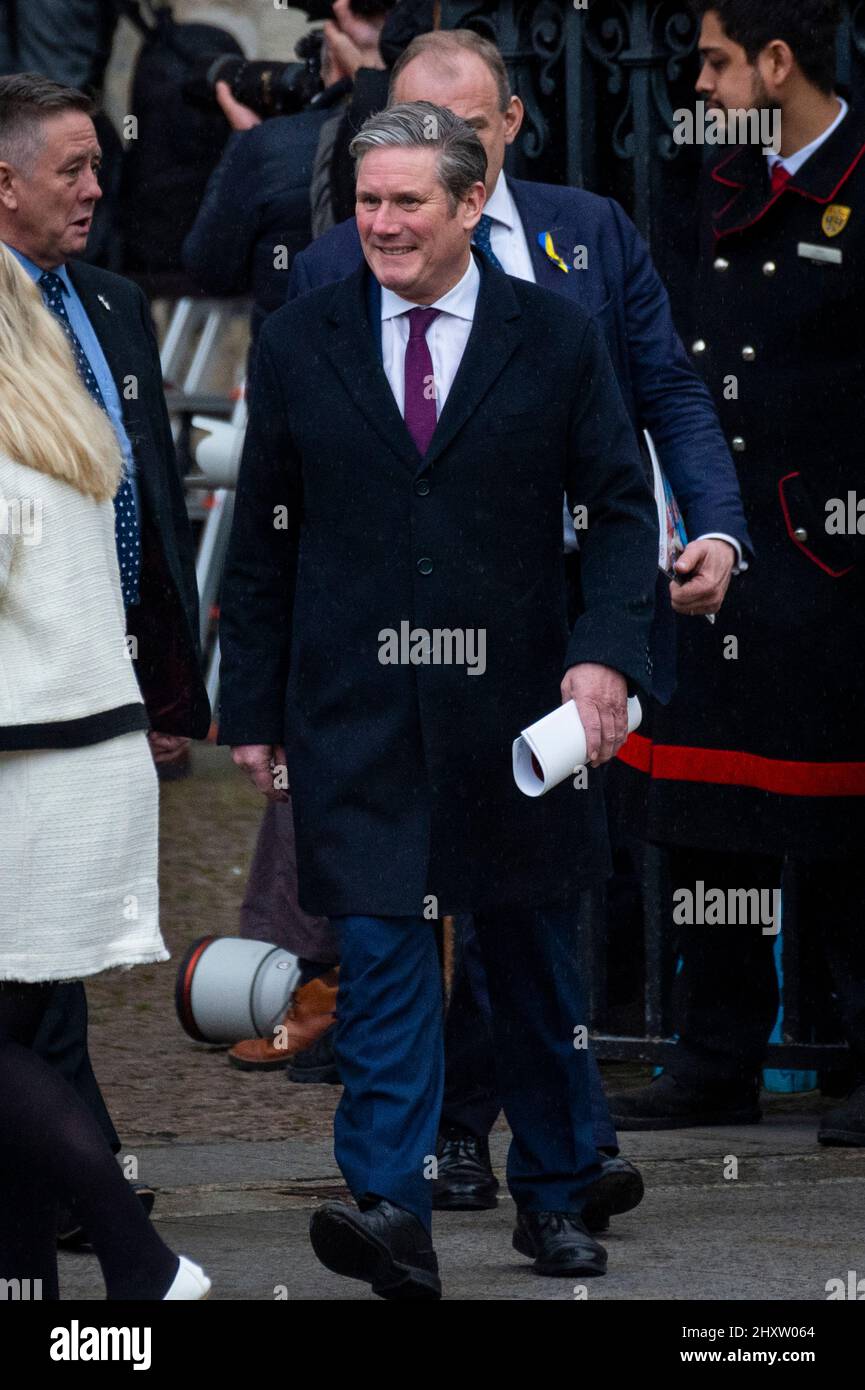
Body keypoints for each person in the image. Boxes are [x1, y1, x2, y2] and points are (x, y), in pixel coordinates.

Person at [283, 28, 751, 1221]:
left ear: (506, 132)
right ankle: (460, 1145)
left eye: (458, 124)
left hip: (566, 624)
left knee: (533, 910)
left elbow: (666, 390)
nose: (423, 152)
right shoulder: (340, 257)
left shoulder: (584, 236)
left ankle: (550, 1155)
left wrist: (716, 526)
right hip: (403, 640)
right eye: (403, 119)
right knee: (408, 907)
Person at [219, 99, 659, 1297]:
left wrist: (608, 655)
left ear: (472, 203)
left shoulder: (557, 338)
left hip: (514, 716)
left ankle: (560, 1193)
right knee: (383, 957)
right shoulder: (302, 339)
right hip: (356, 713)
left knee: (529, 965)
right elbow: (266, 537)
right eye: (367, 200)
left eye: (409, 200)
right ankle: (388, 1205)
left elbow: (622, 509)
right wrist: (248, 708)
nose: (383, 223)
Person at [609, 0, 865, 1144]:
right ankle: (715, 1053)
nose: (701, 85)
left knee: (847, 822)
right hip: (715, 542)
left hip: (833, 562)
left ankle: (859, 1056)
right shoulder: (705, 184)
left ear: (777, 61)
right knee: (709, 812)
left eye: (716, 62)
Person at [0, 72, 210, 1240]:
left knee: (43, 975)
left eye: (97, 163)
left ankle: (82, 1218)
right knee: (35, 984)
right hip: (27, 709)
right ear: (5, 182)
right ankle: (97, 1210)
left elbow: (153, 512)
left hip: (93, 700)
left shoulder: (113, 303)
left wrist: (156, 684)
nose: (95, 186)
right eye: (71, 168)